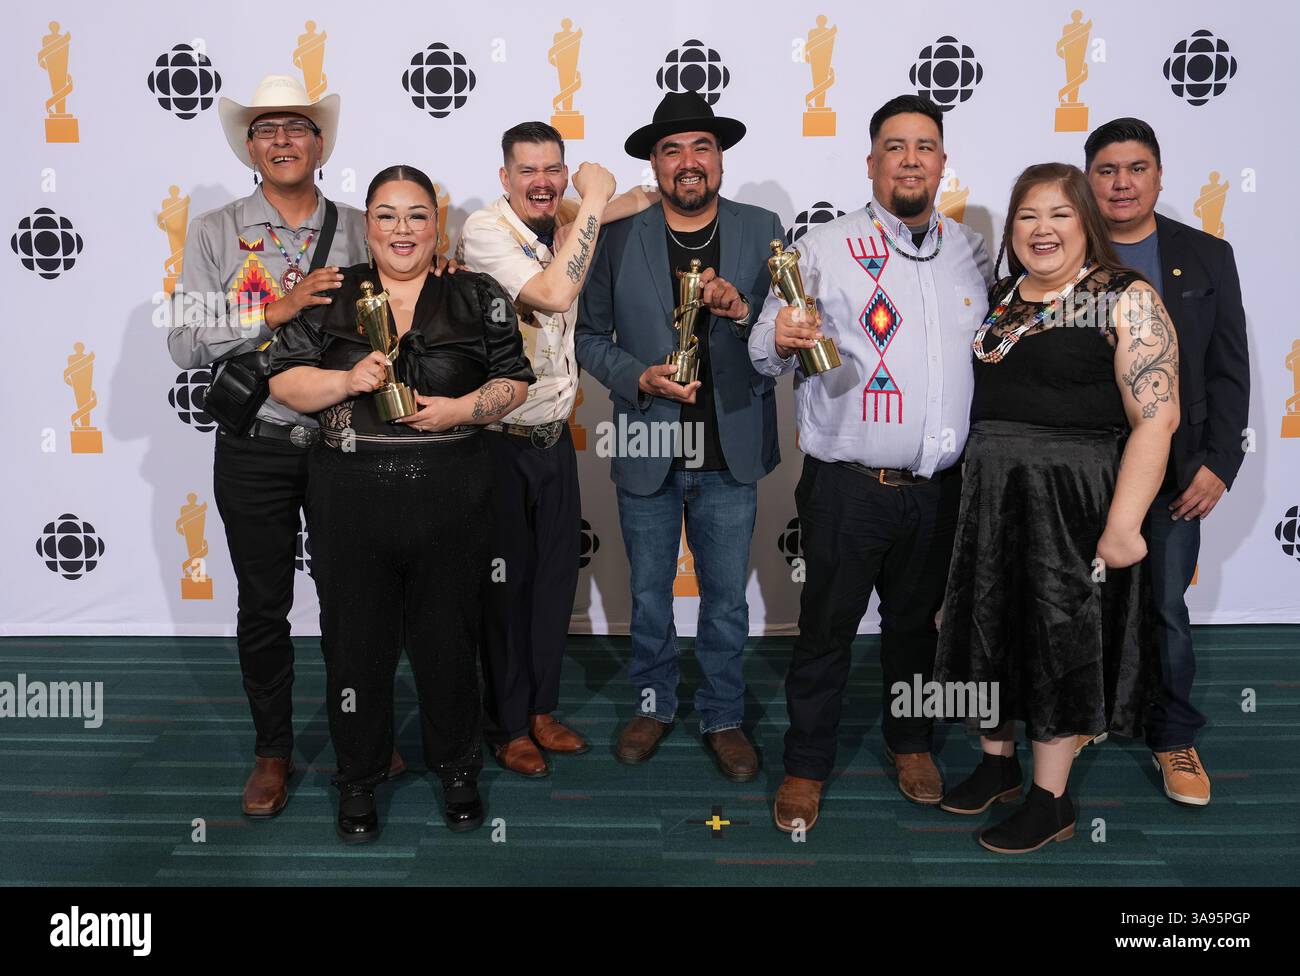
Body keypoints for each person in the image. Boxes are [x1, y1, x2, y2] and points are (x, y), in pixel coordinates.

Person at [267, 165, 535, 841]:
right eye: (386, 215)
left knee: (448, 644)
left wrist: (461, 410)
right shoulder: (332, 292)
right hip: (350, 504)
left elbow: (516, 383)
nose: (402, 229)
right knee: (355, 648)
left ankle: (457, 770)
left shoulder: (475, 292)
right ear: (367, 225)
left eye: (417, 215)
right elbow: (285, 383)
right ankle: (358, 779)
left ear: (436, 223)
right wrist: (346, 379)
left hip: (454, 500)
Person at [166, 75, 409, 818]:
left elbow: (405, 296)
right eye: (267, 129)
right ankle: (272, 751)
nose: (282, 141)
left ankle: (361, 735)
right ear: (250, 146)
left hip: (346, 441)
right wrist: (277, 310)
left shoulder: (358, 227)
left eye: (296, 128)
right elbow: (182, 341)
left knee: (355, 601)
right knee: (264, 605)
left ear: (320, 143)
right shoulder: (213, 231)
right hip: (256, 444)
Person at [750, 95, 992, 832]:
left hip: (939, 490)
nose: (911, 159)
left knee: (917, 629)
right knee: (824, 632)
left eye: (925, 146)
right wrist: (783, 338)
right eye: (895, 146)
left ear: (943, 162)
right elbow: (762, 352)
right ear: (871, 163)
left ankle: (910, 743)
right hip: (848, 490)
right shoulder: (821, 247)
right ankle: (806, 766)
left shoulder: (970, 251)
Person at [933, 162, 1180, 854]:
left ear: (1087, 223)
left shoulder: (1126, 297)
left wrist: (1124, 523)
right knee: (987, 625)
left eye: (1060, 215)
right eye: (1027, 216)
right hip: (988, 496)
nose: (1042, 229)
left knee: (1056, 642)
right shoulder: (1000, 296)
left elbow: (1156, 419)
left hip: (1072, 504)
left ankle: (1052, 799)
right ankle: (997, 763)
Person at [575, 92, 782, 782]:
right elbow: (587, 337)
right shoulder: (614, 235)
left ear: (719, 158)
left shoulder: (763, 228)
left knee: (725, 597)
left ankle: (722, 715)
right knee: (649, 592)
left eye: (701, 148)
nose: (688, 162)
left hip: (731, 448)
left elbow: (786, 331)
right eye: (672, 151)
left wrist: (743, 307)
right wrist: (639, 378)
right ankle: (654, 703)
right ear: (655, 165)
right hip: (646, 443)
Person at [458, 122, 654, 777]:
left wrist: (651, 189)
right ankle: (507, 724)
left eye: (554, 169)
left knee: (552, 586)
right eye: (529, 170)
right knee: (506, 591)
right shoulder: (486, 232)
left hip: (552, 439)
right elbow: (552, 293)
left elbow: (627, 204)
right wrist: (592, 201)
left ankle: (541, 709)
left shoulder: (563, 217)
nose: (543, 181)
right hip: (496, 445)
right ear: (505, 177)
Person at [1084, 118, 1249, 806]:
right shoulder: (1061, 251)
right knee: (1077, 604)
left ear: (1158, 176)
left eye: (1137, 168)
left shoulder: (1208, 255)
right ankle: (1080, 718)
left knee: (1165, 607)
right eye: (1107, 169)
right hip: (1086, 466)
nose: (1122, 182)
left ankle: (1173, 735)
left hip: (1177, 473)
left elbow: (1228, 369)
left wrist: (1219, 463)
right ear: (1088, 178)